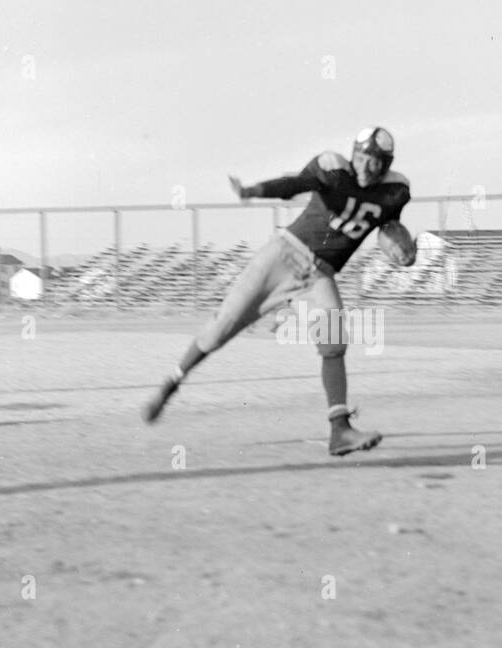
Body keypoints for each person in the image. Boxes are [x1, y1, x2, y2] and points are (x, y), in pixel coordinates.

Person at [142, 126, 416, 455]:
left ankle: (340, 431)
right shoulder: (333, 169)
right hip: (283, 256)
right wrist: (252, 190)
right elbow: (295, 185)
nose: (363, 167)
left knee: (334, 342)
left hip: (319, 275)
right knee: (220, 329)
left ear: (385, 164)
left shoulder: (395, 191)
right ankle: (172, 382)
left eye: (373, 162)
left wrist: (398, 242)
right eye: (360, 157)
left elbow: (388, 223)